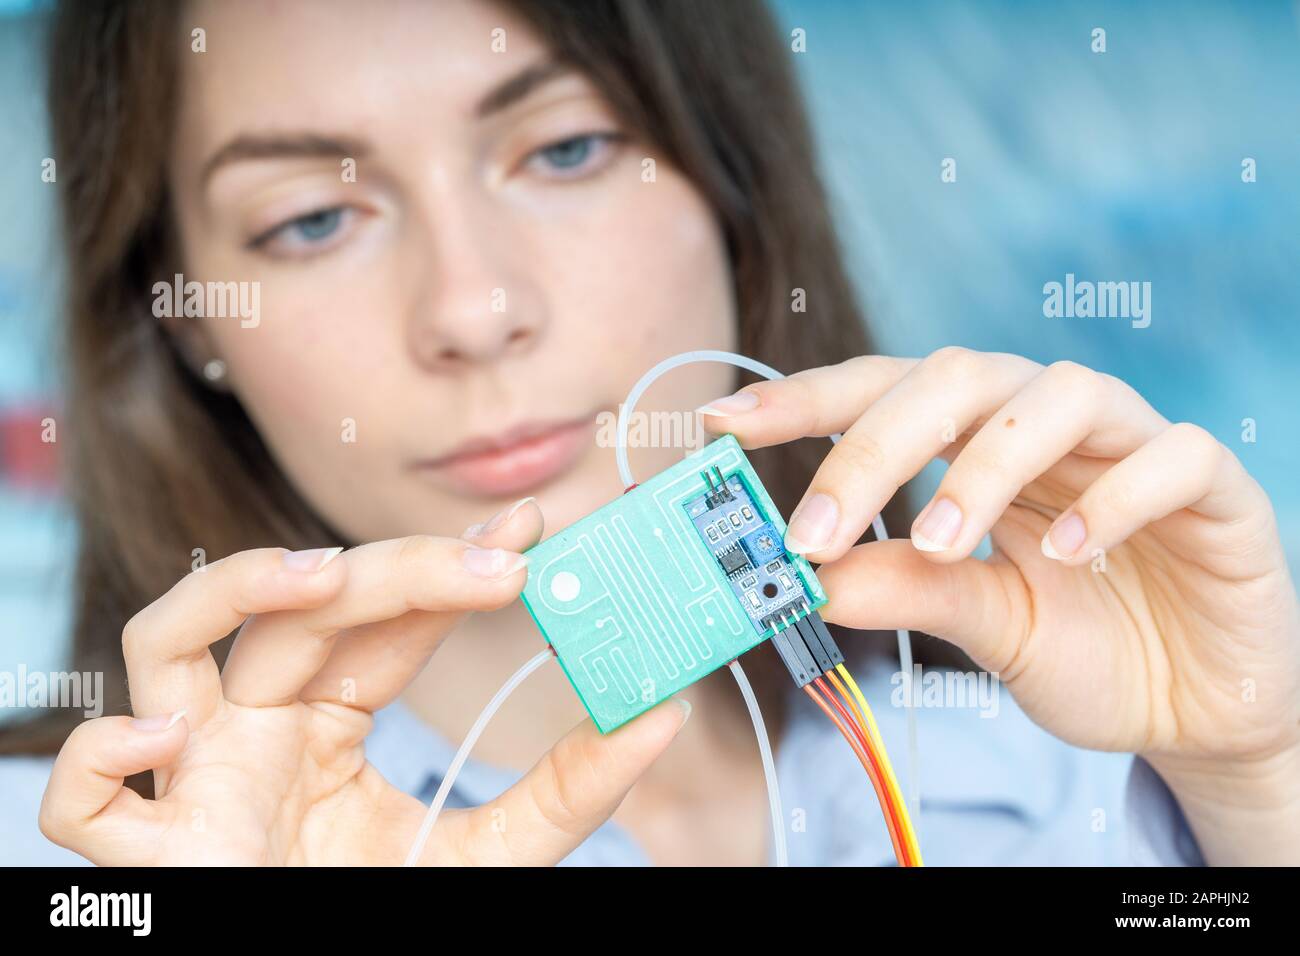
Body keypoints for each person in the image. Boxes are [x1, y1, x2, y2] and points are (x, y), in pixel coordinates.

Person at [4, 0, 1296, 866]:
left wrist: (1259, 775)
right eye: (311, 220)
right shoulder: (77, 850)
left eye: (564, 150)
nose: (475, 309)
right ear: (187, 324)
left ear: (731, 187)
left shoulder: (1116, 780)